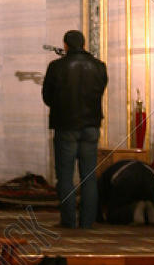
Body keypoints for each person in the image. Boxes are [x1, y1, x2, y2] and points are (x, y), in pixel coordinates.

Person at [42, 29, 108, 229]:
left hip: (66, 126)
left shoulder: (56, 66)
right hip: (91, 126)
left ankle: (69, 220)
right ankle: (87, 221)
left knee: (65, 175)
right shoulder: (99, 67)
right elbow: (100, 91)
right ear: (84, 44)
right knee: (89, 176)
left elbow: (47, 97)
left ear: (66, 45)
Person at [97, 156, 154, 224]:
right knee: (144, 199)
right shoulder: (113, 170)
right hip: (150, 174)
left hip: (125, 176)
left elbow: (97, 199)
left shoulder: (102, 180)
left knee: (113, 214)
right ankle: (150, 207)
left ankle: (134, 210)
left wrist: (99, 219)